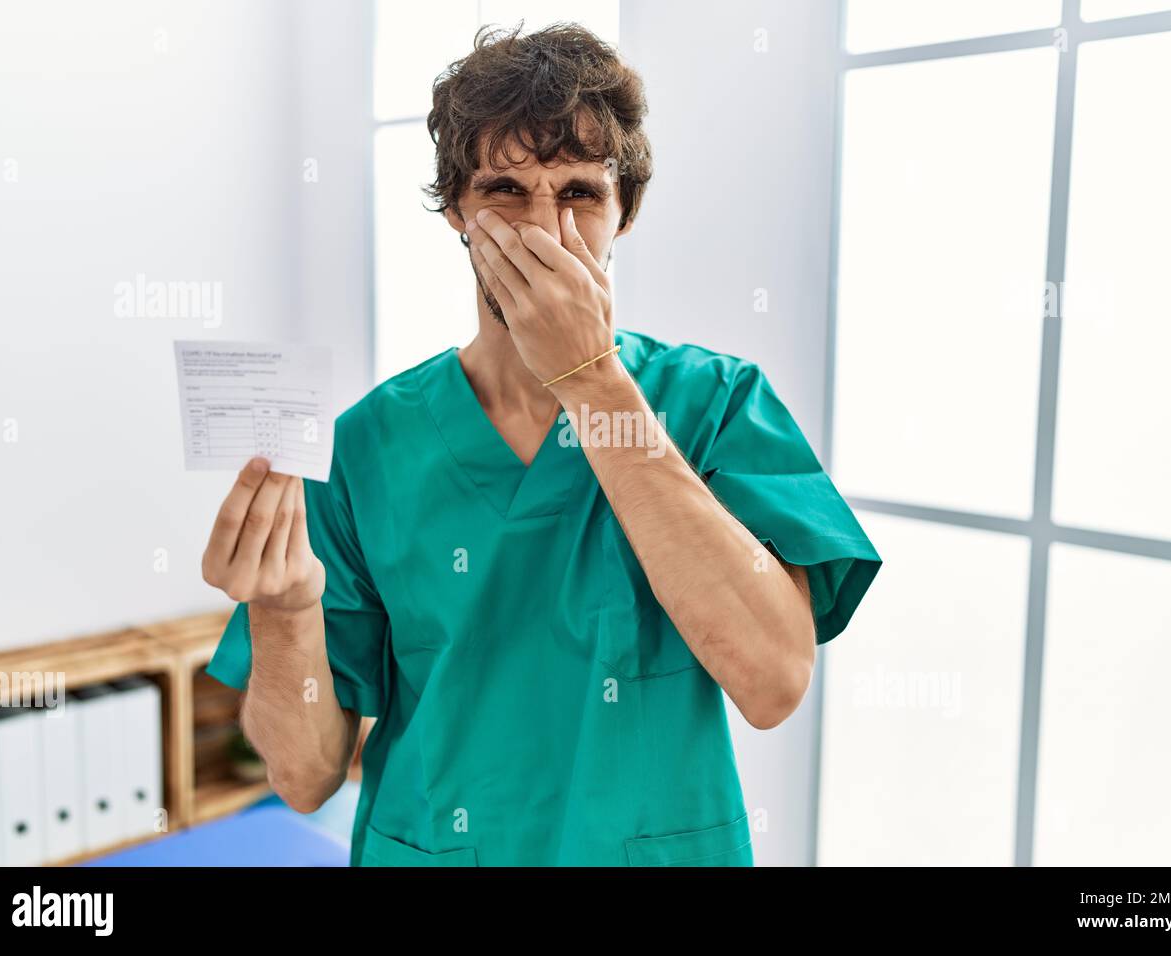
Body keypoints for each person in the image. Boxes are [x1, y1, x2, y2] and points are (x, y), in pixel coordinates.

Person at [202, 22, 880, 867]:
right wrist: (283, 608)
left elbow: (775, 683)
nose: (545, 233)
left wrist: (593, 382)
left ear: (624, 209)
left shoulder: (715, 405)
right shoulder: (367, 447)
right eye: (505, 192)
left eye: (580, 194)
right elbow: (304, 780)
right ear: (456, 209)